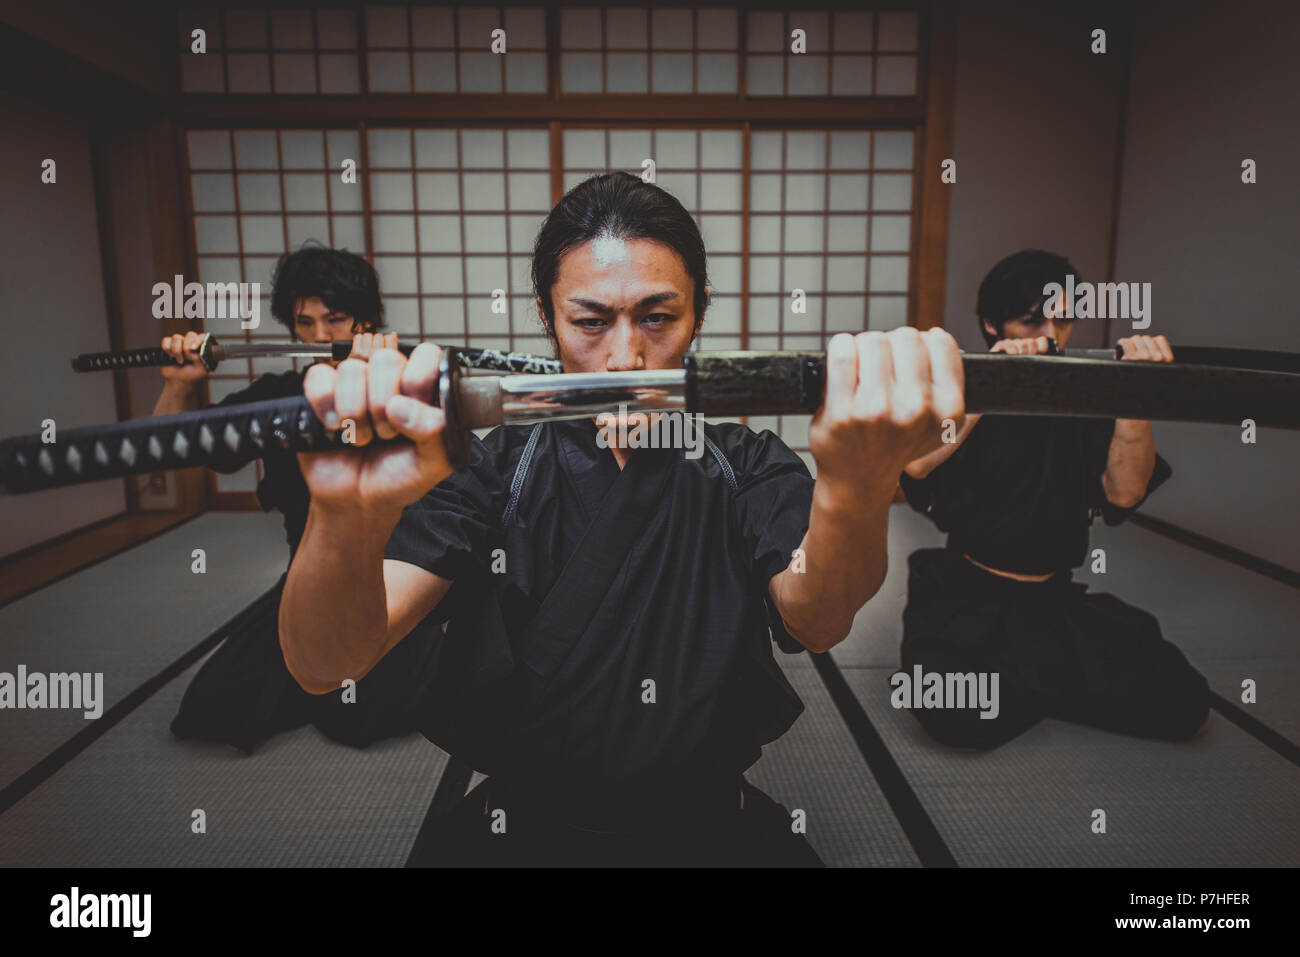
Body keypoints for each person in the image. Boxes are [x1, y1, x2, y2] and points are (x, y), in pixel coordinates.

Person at [278, 172, 968, 866]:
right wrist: (343, 518)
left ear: (697, 315)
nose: (625, 356)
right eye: (591, 321)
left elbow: (817, 618)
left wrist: (858, 486)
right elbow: (326, 664)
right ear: (548, 321)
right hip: (525, 834)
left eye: (657, 317)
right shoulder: (490, 470)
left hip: (707, 832)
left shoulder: (744, 464)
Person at [895, 249, 1211, 750]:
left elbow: (1124, 491)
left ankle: (1031, 679)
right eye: (1031, 320)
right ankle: (1050, 678)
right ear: (992, 325)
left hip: (1052, 600)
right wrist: (987, 385)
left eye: (1063, 319)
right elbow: (916, 465)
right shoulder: (961, 393)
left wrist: (1135, 393)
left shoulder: (1086, 397)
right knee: (946, 709)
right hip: (968, 596)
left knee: (1185, 701)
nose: (1051, 334)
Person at [154, 244, 440, 753]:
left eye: (335, 319)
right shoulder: (277, 394)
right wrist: (179, 387)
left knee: (365, 719)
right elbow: (168, 451)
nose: (320, 336)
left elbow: (450, 464)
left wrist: (389, 378)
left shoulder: (396, 380)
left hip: (393, 573)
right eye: (305, 323)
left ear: (365, 321)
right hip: (309, 575)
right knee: (212, 710)